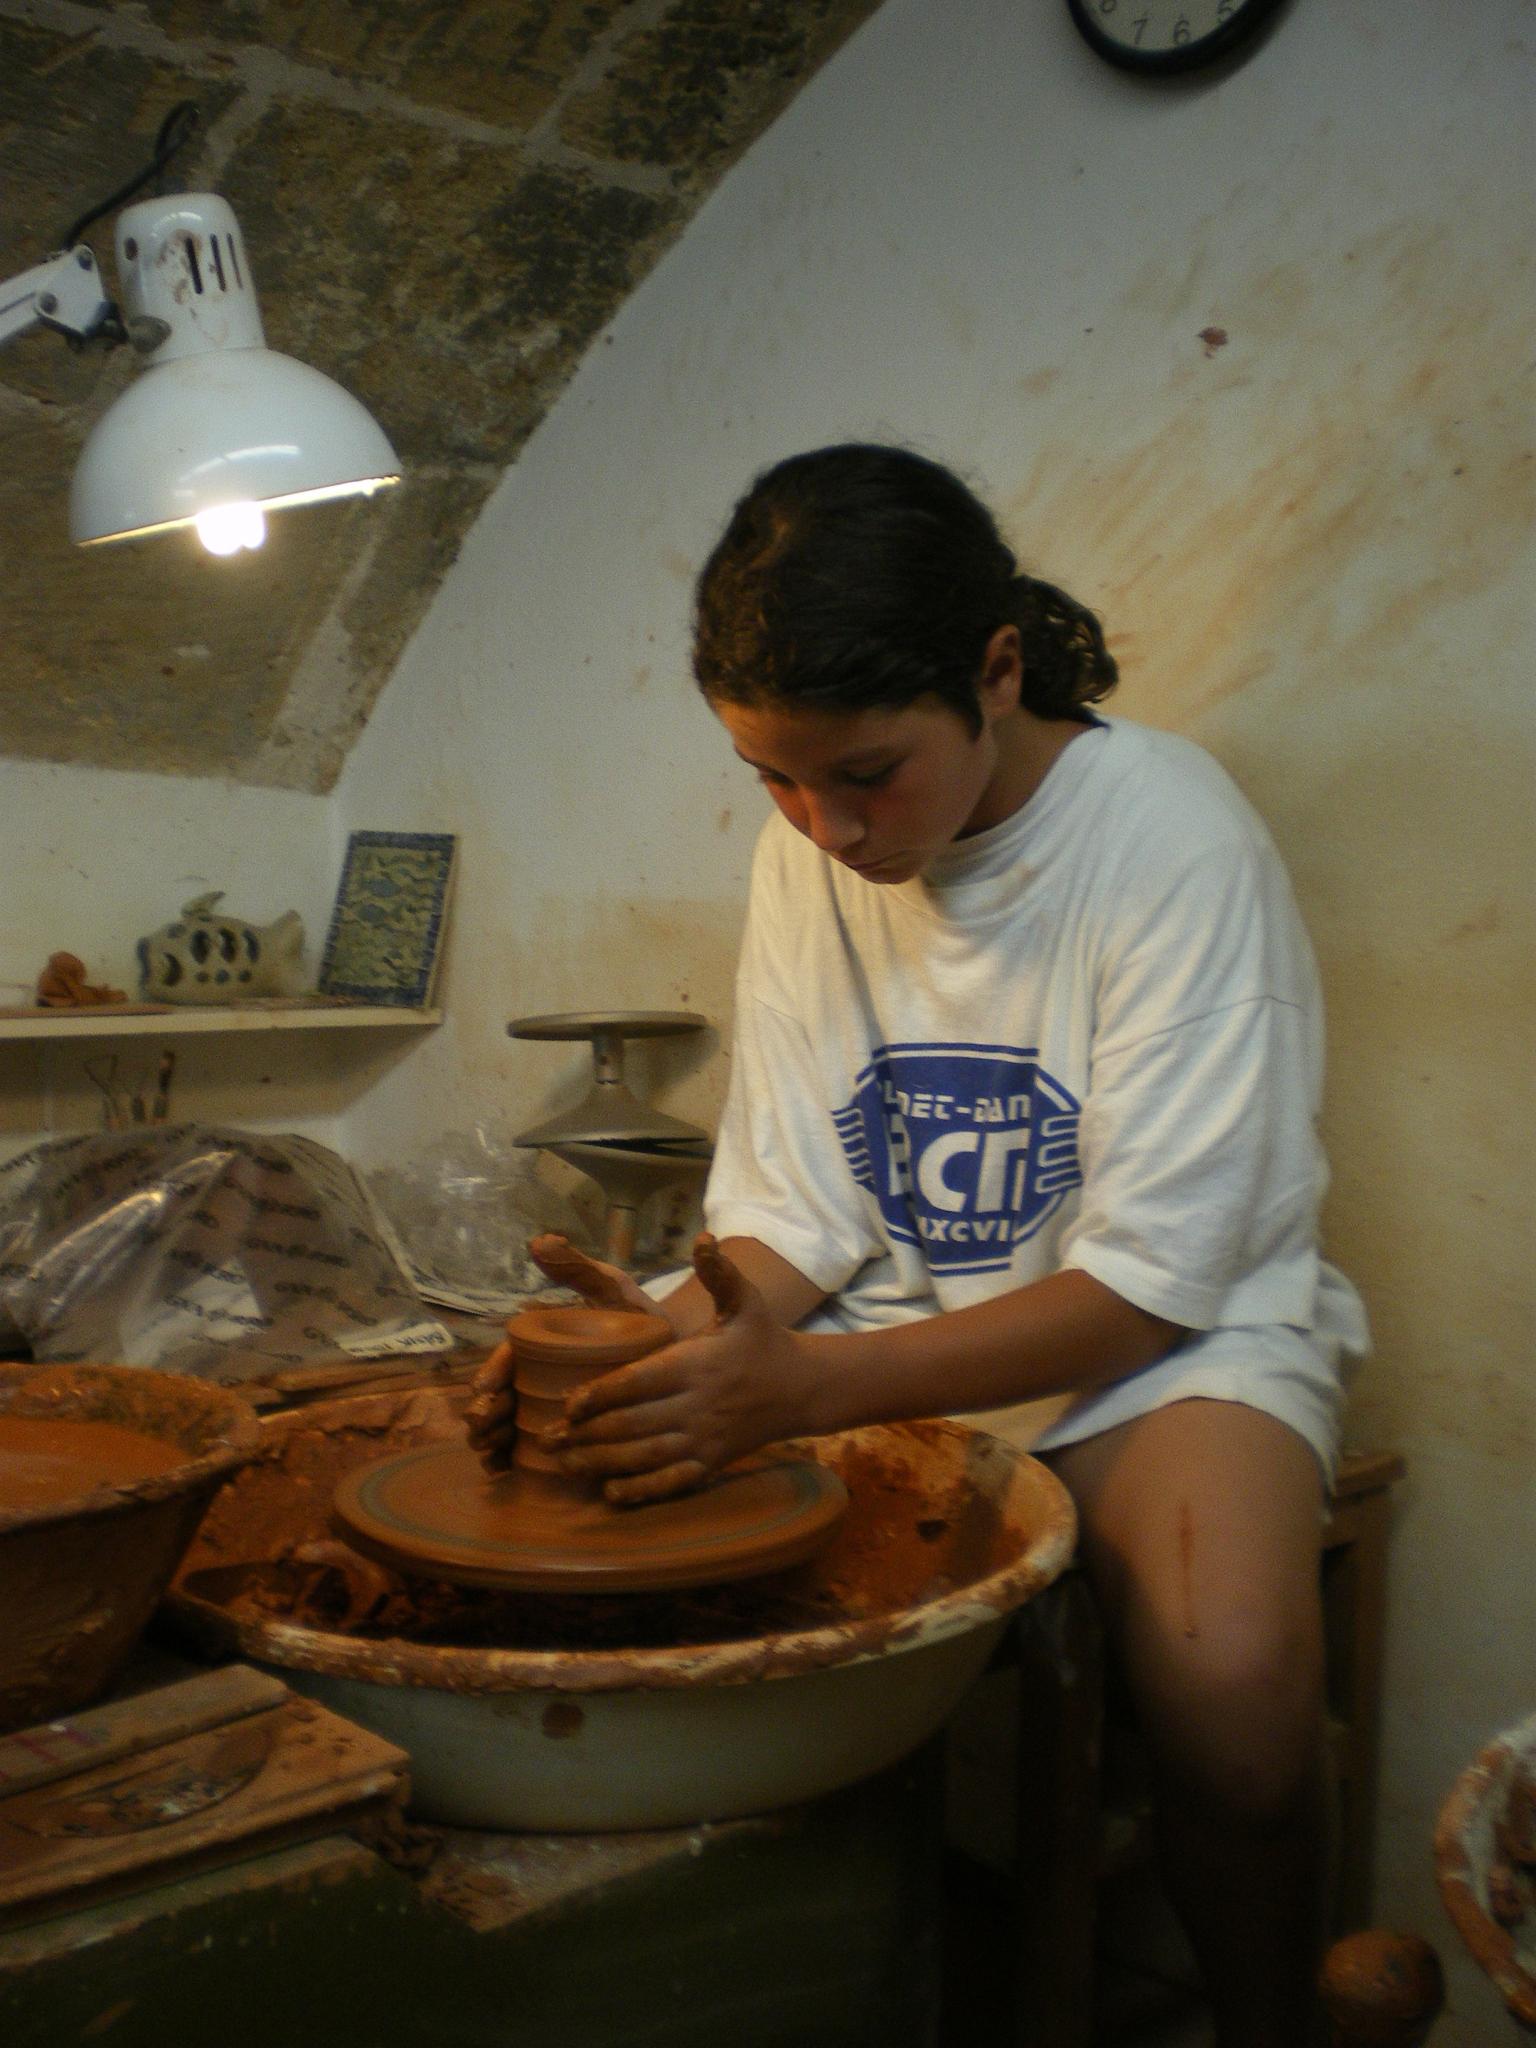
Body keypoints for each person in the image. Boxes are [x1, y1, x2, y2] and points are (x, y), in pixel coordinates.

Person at [470, 442, 1368, 2047]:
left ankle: (1268, 2030)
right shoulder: (811, 850)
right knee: (582, 1503)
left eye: (867, 774)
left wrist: (799, 1393)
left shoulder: (1170, 837)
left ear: (996, 669)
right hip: (882, 1325)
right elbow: (802, 1206)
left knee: (1234, 1700)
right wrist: (654, 1337)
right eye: (772, 780)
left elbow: (1154, 1279)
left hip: (1165, 1347)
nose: (825, 827)